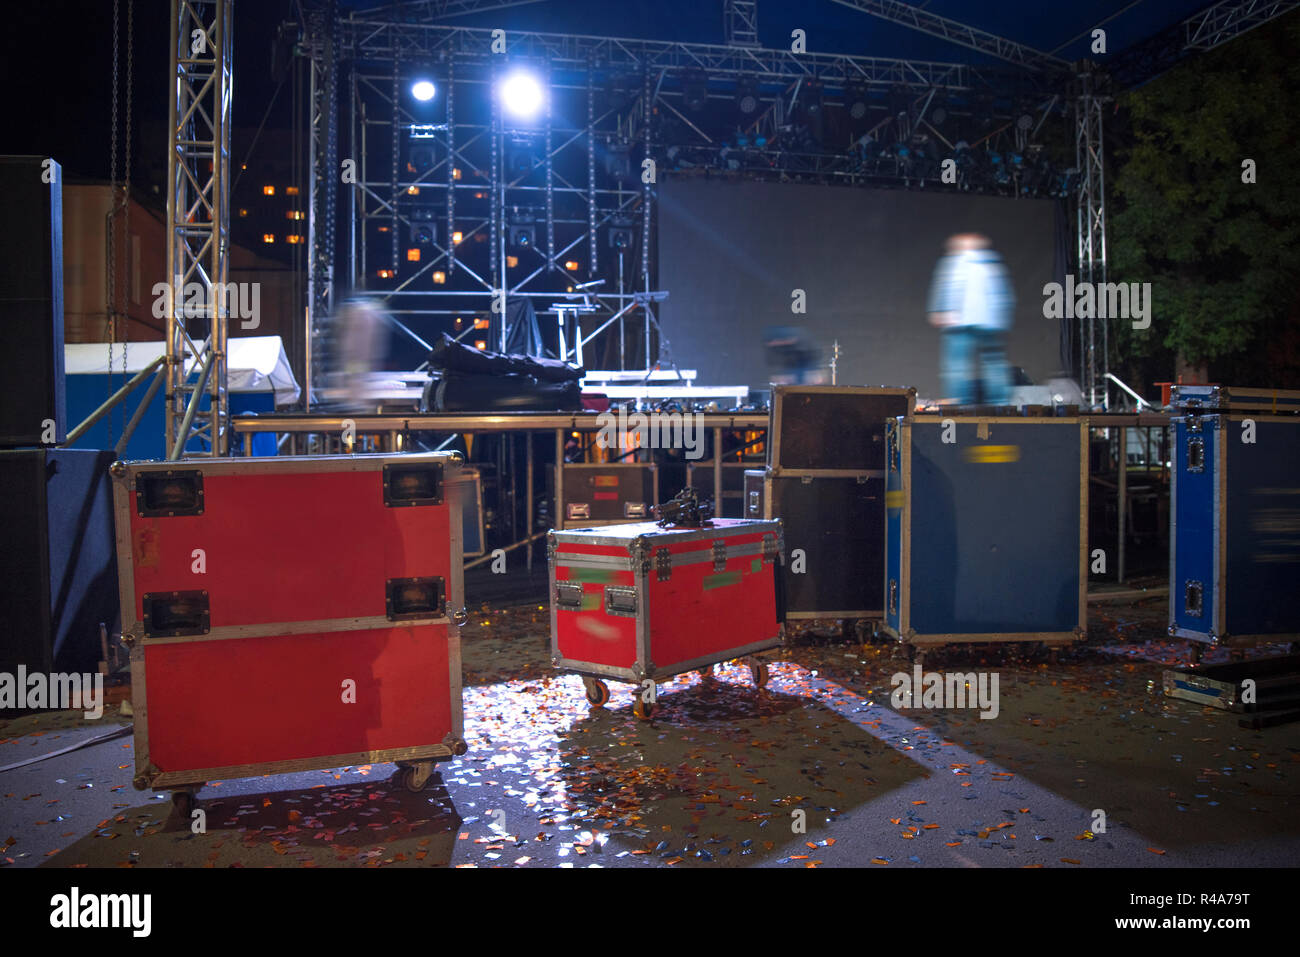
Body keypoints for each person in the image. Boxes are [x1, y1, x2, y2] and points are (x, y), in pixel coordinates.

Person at [926, 233, 1015, 405]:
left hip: (967, 323)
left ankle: (974, 402)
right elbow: (1003, 296)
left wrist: (939, 312)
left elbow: (948, 289)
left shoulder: (966, 264)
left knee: (961, 366)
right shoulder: (988, 264)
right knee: (977, 365)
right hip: (975, 323)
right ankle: (991, 402)